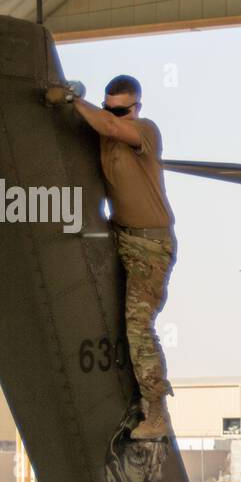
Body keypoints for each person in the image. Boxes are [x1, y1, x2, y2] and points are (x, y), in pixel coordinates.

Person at [48, 74, 176, 439]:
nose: (115, 117)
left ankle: (156, 413)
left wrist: (73, 99)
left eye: (122, 111)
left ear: (136, 108)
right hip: (120, 236)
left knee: (138, 328)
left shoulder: (146, 131)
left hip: (151, 246)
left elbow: (105, 125)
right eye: (110, 108)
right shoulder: (102, 131)